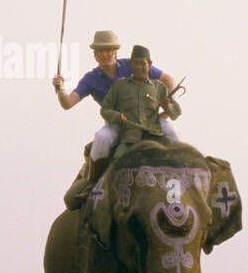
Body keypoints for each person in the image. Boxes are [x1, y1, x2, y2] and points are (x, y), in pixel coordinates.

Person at [53, 31, 180, 199]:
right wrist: (60, 89)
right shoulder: (91, 79)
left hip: (148, 121)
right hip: (117, 124)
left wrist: (167, 108)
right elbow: (68, 103)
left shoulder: (134, 65)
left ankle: (181, 176)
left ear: (115, 51)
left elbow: (169, 80)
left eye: (108, 50)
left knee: (171, 132)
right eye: (100, 51)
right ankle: (92, 184)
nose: (105, 55)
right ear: (95, 55)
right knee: (102, 138)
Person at [100, 45, 181, 161]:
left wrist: (167, 106)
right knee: (116, 164)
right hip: (129, 139)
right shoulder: (119, 86)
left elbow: (177, 113)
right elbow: (105, 109)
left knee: (179, 156)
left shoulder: (159, 87)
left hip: (155, 137)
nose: (138, 67)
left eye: (142, 63)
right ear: (130, 65)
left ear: (150, 64)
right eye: (135, 63)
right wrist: (116, 116)